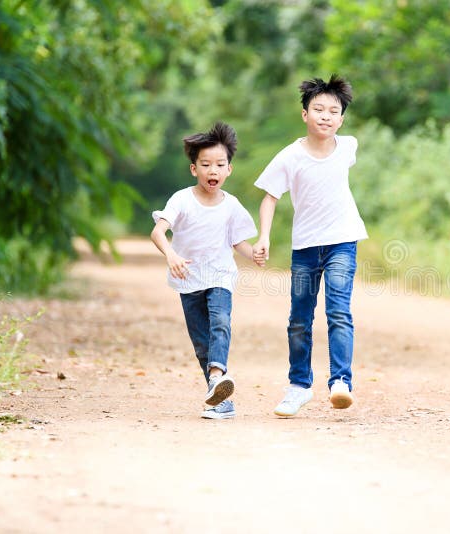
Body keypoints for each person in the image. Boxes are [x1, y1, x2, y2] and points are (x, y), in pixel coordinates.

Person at [252, 75, 367, 417]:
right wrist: (264, 236)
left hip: (342, 242)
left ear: (342, 119)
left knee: (338, 310)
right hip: (305, 247)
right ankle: (298, 387)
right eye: (318, 109)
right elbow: (269, 198)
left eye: (334, 111)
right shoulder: (290, 156)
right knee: (300, 318)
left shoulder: (349, 146)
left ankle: (340, 383)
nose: (326, 116)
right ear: (304, 114)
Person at [151, 122, 262, 420]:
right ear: (193, 169)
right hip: (188, 279)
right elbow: (158, 232)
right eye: (206, 164)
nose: (213, 170)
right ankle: (219, 398)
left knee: (220, 321)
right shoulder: (181, 199)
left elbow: (238, 241)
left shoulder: (232, 206)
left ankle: (217, 375)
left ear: (229, 170)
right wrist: (171, 254)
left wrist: (254, 254)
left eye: (220, 164)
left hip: (220, 276)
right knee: (202, 342)